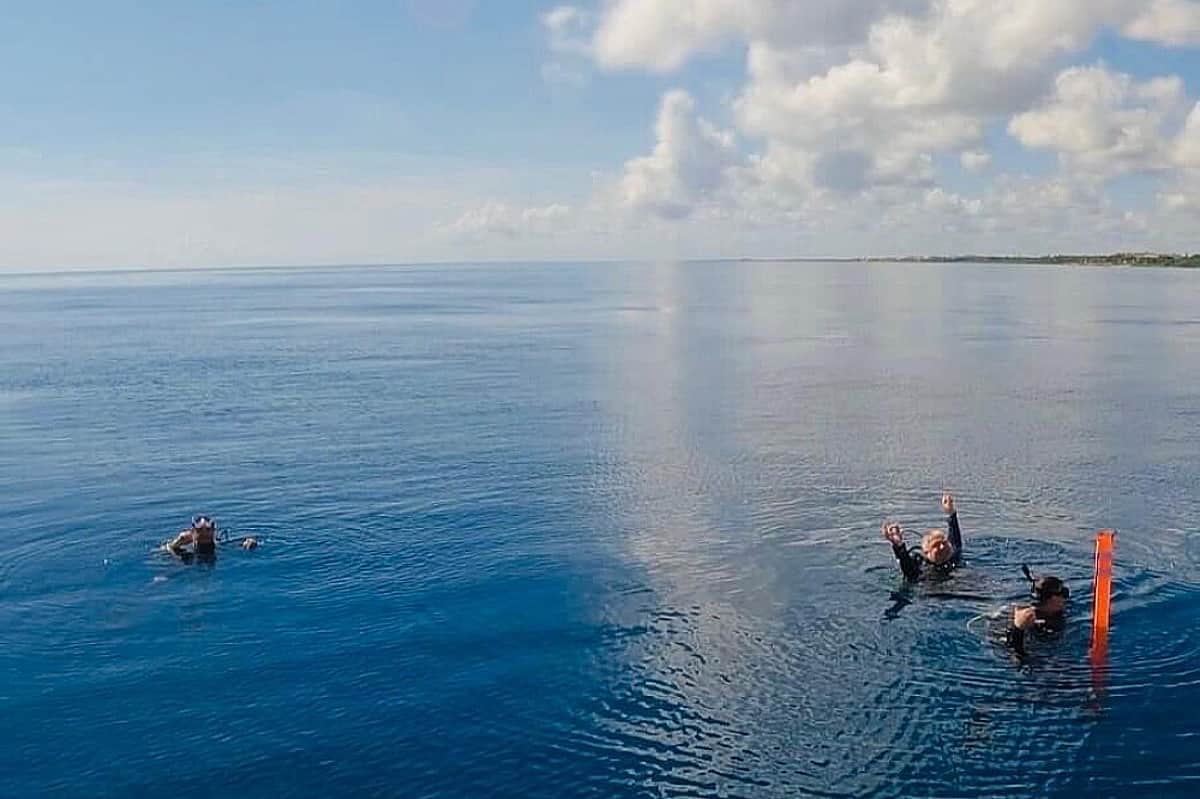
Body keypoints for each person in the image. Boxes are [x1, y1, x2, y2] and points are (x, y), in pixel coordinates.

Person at [881, 492, 963, 581]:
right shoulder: (921, 568)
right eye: (936, 545)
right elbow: (907, 567)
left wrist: (951, 513)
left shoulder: (954, 556)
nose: (942, 547)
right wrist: (898, 544)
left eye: (944, 542)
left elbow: (955, 538)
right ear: (927, 553)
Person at [1006, 565, 1070, 660]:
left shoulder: (1057, 611)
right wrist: (1018, 629)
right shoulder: (1026, 620)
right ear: (1052, 599)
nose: (1066, 598)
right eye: (1064, 594)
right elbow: (1015, 656)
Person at [165, 515, 258, 561]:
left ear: (214, 530)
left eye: (208, 530)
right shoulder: (185, 542)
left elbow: (237, 544)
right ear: (193, 531)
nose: (204, 533)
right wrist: (174, 547)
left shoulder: (219, 544)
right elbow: (166, 548)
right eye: (200, 530)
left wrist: (250, 542)